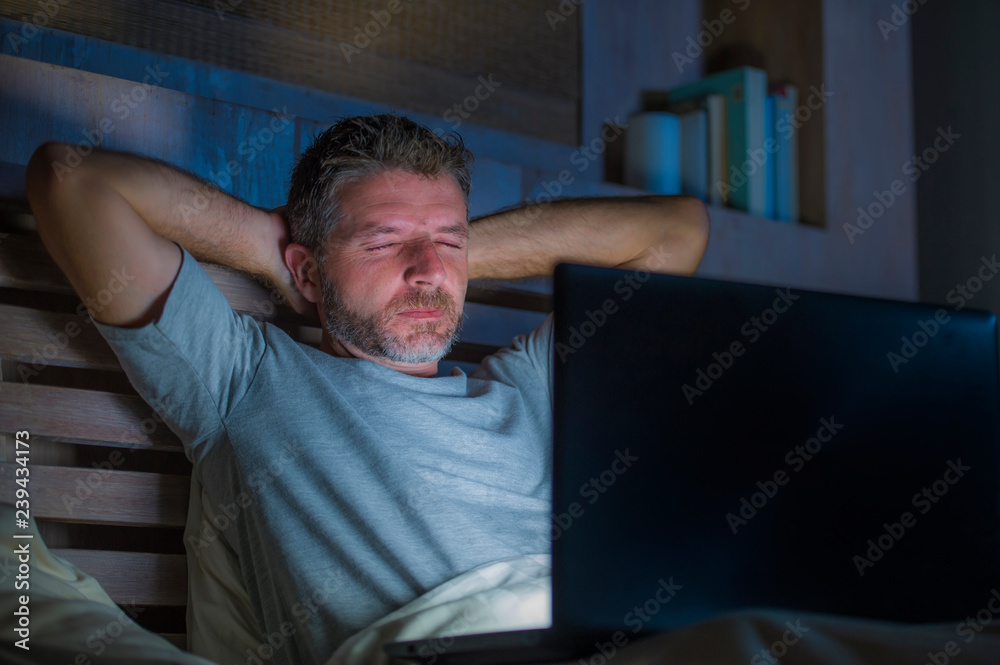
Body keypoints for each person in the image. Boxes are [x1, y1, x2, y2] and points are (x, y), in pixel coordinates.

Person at [25, 114, 710, 665]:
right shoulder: (242, 376)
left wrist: (436, 250)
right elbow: (70, 180)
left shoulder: (528, 383)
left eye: (449, 241)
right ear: (310, 274)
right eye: (382, 244)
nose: (426, 273)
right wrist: (280, 249)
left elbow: (677, 231)